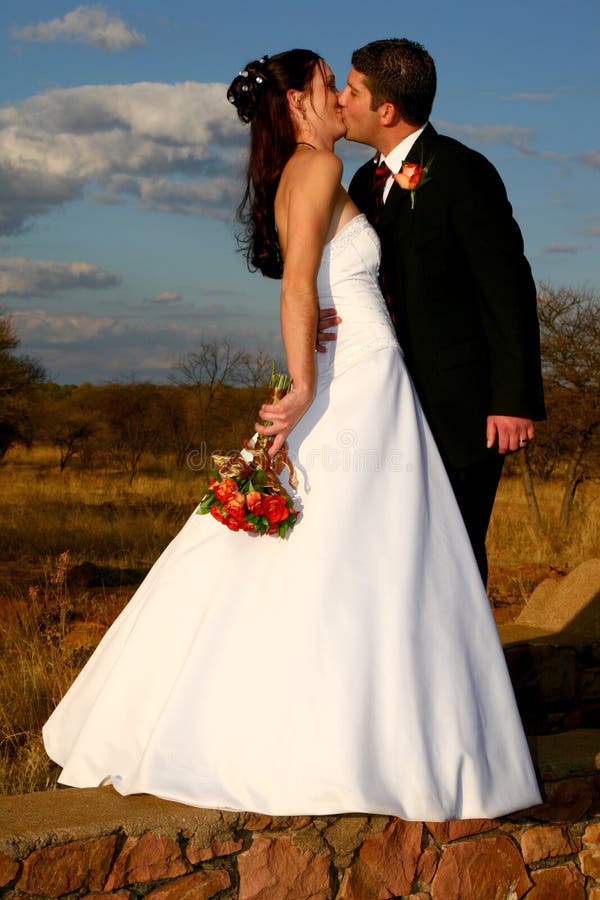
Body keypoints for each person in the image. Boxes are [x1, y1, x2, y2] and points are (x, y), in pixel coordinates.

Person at [43, 49, 541, 821]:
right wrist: (305, 382)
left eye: (349, 88)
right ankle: (376, 743)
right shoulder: (316, 174)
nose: (340, 98)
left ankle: (410, 731)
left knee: (383, 557)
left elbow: (490, 283)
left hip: (380, 379)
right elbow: (303, 285)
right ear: (300, 106)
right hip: (357, 382)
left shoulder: (372, 177)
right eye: (328, 87)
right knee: (368, 559)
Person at [333, 39, 546, 583]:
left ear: (386, 110)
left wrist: (513, 401)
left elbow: (507, 288)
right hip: (388, 399)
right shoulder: (363, 182)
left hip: (464, 409)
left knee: (453, 549)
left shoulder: (462, 172)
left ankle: (471, 669)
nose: (340, 98)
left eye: (351, 90)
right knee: (399, 548)